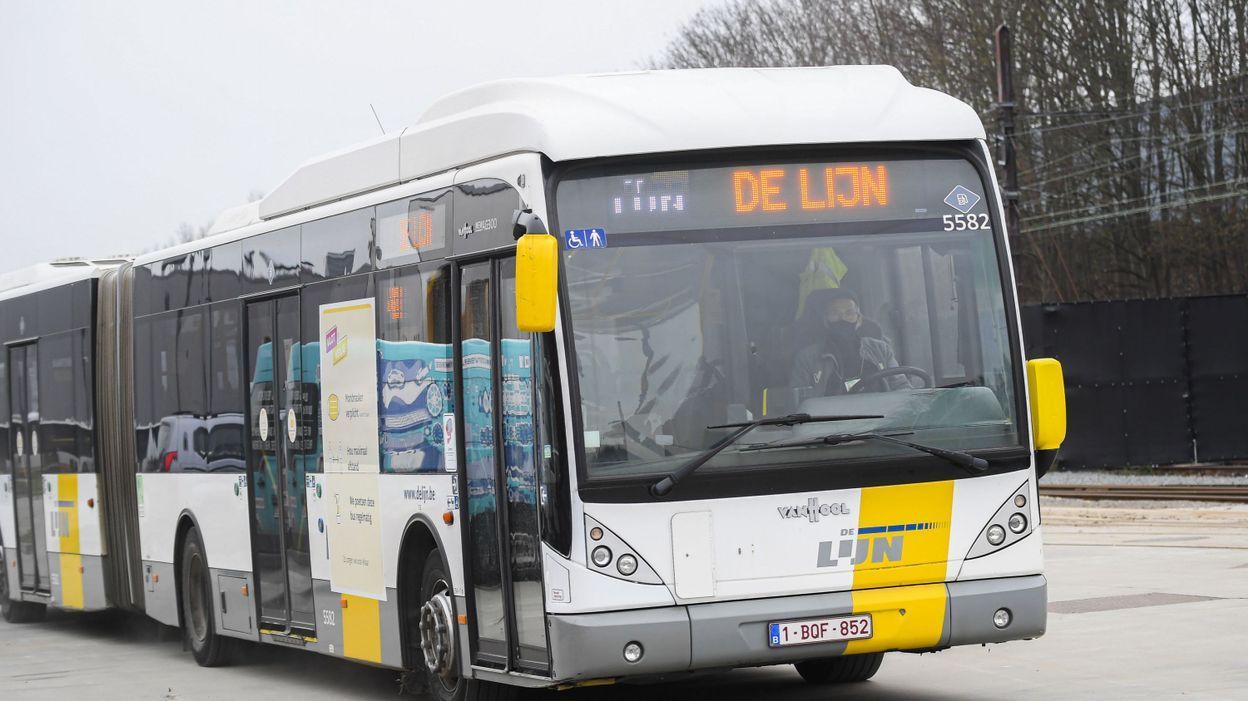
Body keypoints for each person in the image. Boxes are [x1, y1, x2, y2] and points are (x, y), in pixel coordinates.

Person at [790, 288, 910, 394]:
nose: (843, 319)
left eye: (849, 313)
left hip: (882, 417)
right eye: (835, 313)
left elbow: (901, 387)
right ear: (825, 319)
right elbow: (799, 401)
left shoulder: (881, 349)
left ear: (859, 319)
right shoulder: (807, 359)